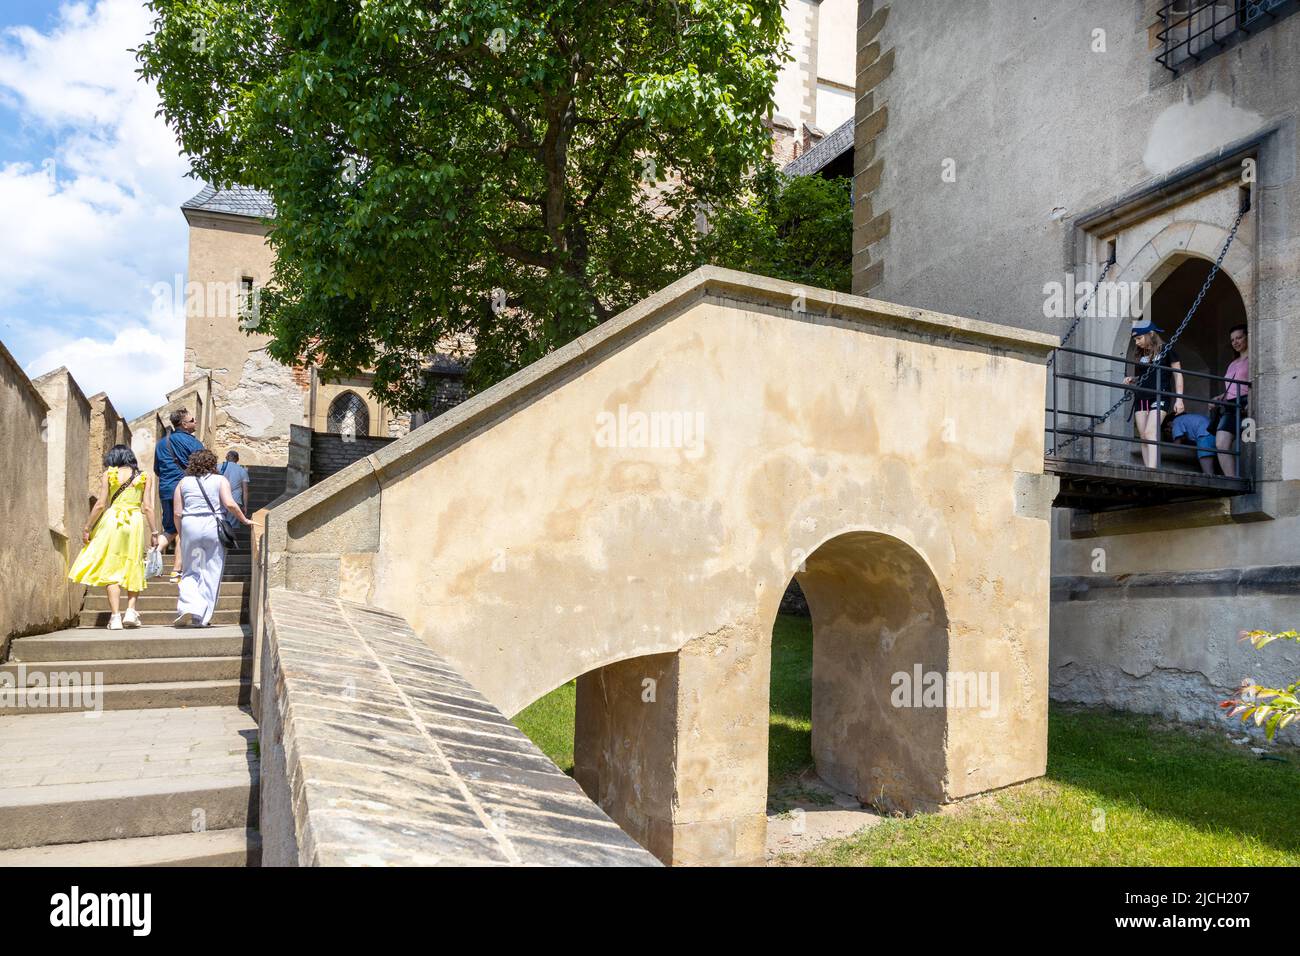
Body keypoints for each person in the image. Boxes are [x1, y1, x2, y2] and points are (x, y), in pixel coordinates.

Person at [68, 446, 160, 630]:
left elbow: (101, 504)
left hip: (113, 521)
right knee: (133, 564)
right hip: (134, 522)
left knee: (112, 568)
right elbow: (148, 507)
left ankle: (116, 616)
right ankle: (131, 612)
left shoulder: (109, 475)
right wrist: (155, 532)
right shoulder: (144, 476)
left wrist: (88, 527)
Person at [172, 450, 252, 628]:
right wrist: (244, 520)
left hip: (190, 524)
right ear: (213, 464)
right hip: (213, 525)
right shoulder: (220, 480)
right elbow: (230, 504)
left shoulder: (183, 482)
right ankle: (202, 617)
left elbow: (177, 512)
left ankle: (189, 605)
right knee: (212, 571)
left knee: (190, 571)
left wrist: (181, 533)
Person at [1123, 322, 1184, 469]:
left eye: (1139, 338)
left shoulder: (1167, 349)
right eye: (1135, 340)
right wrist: (1133, 379)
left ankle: (1152, 470)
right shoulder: (1141, 354)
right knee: (1143, 436)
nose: (1136, 342)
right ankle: (1148, 469)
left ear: (1150, 334)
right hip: (1141, 396)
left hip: (1160, 395)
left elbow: (1178, 374)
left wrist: (1179, 399)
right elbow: (1146, 376)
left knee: (1151, 432)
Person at [154, 407, 204, 561]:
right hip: (186, 490)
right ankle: (179, 568)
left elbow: (157, 469)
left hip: (166, 489)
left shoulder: (161, 443)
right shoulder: (193, 443)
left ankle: (154, 552)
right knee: (187, 527)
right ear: (183, 424)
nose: (195, 422)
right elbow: (203, 467)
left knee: (170, 529)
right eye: (192, 420)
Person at [1210, 324, 1250, 478]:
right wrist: (1221, 397)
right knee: (1221, 443)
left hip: (1245, 402)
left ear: (1247, 336)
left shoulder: (1252, 358)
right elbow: (1232, 386)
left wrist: (1249, 402)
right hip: (1230, 404)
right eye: (1232, 340)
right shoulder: (1233, 363)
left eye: (1239, 337)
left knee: (1248, 443)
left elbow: (1254, 382)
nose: (1235, 342)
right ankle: (1231, 478)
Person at [219, 450, 250, 533]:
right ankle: (230, 543)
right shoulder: (242, 470)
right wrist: (245, 506)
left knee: (218, 523)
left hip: (220, 499)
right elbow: (245, 491)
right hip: (235, 500)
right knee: (231, 526)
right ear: (237, 459)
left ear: (228, 457)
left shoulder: (219, 466)